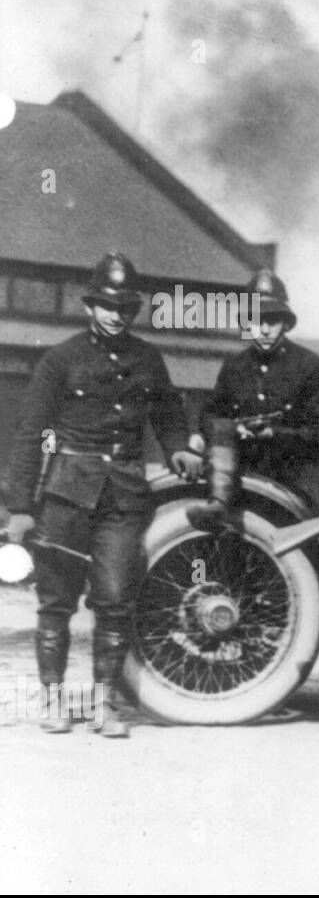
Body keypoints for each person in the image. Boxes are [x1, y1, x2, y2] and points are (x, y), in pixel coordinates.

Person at [0, 252, 203, 737]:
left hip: (124, 498)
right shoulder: (60, 359)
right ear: (91, 305)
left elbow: (170, 415)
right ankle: (51, 700)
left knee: (114, 599)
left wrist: (178, 449)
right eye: (107, 306)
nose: (116, 315)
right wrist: (20, 508)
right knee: (56, 601)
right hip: (67, 493)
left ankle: (104, 704)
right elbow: (30, 435)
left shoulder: (147, 359)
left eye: (125, 308)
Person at [192, 270, 319, 529]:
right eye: (256, 319)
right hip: (247, 464)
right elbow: (211, 415)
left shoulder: (312, 366)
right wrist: (234, 428)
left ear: (286, 323)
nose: (264, 329)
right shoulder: (234, 367)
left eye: (273, 320)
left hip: (299, 468)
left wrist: (273, 433)